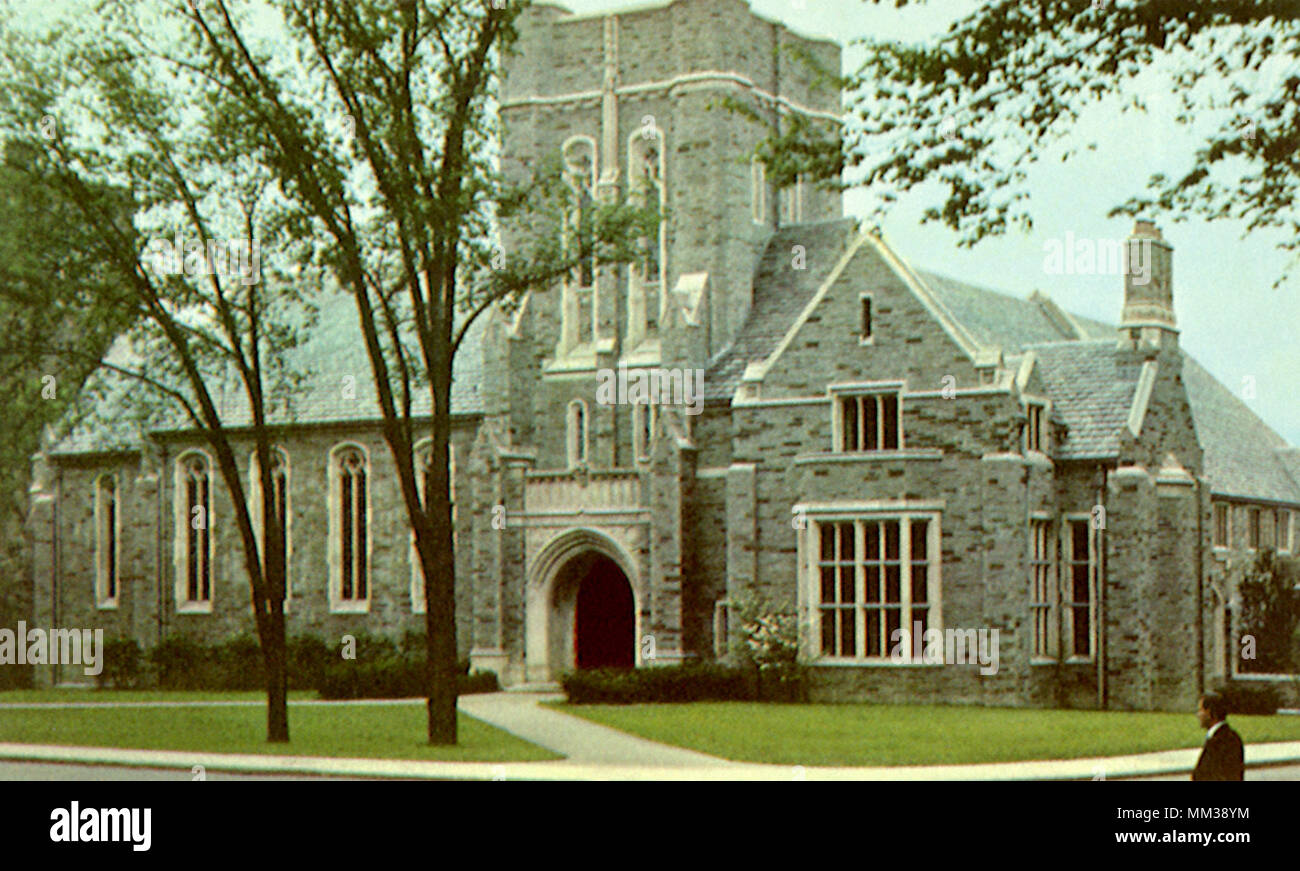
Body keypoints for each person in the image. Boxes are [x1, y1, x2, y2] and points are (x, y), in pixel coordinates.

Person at [1191, 692, 1244, 781]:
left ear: (1209, 712)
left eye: (1200, 710)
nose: (1198, 715)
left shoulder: (1226, 740)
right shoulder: (1218, 737)